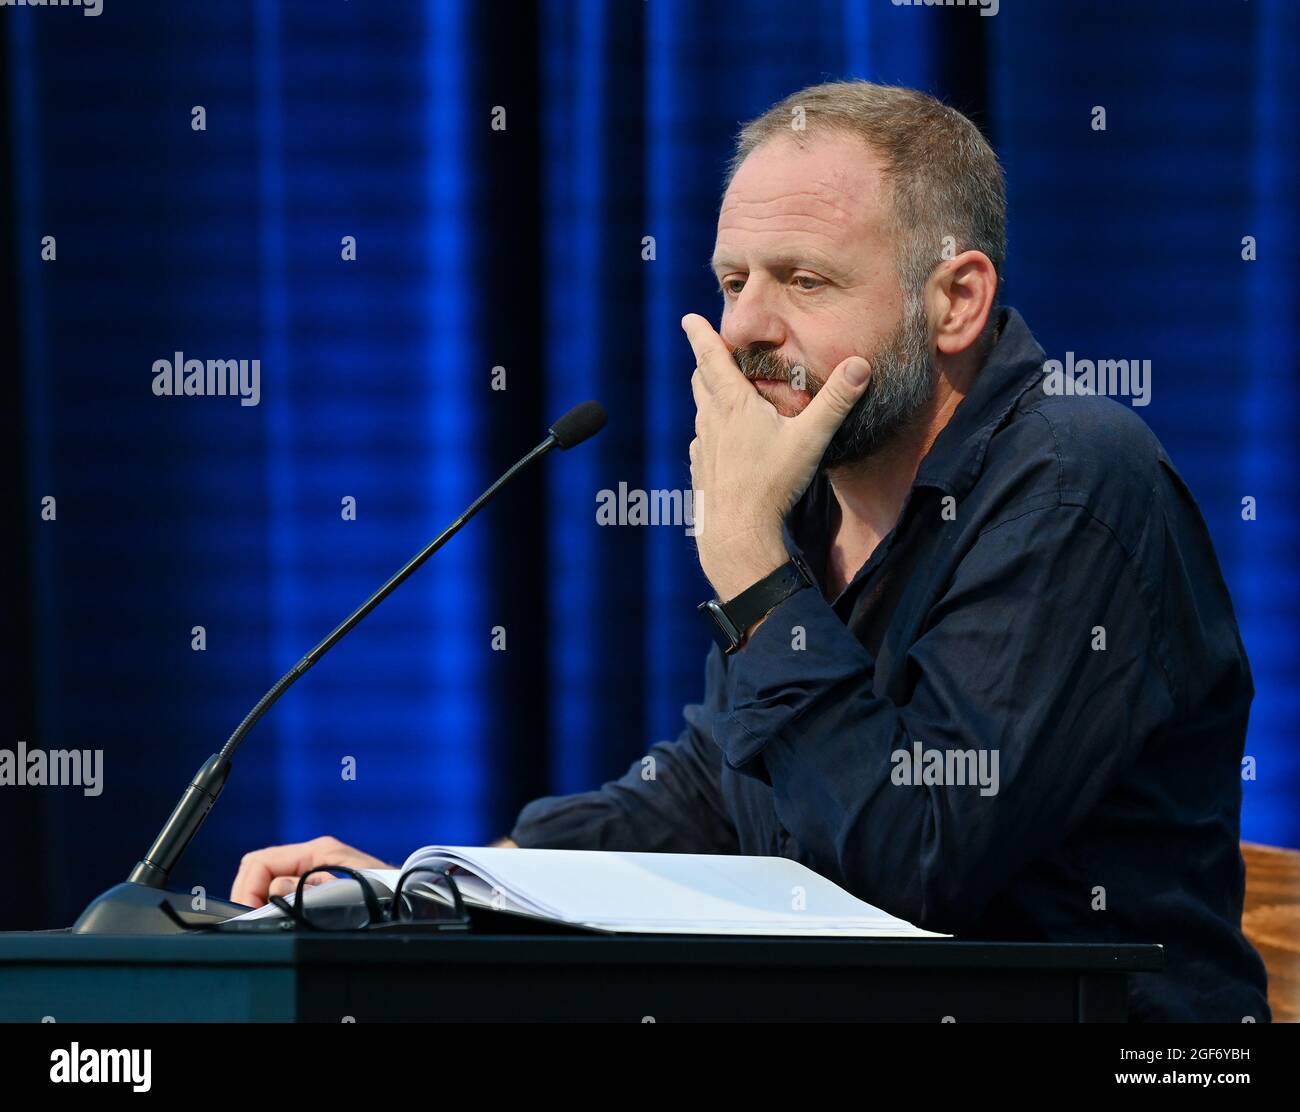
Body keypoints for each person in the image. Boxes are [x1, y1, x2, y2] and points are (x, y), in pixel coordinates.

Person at [232, 81, 1269, 1022]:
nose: (740, 330)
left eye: (804, 281)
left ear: (955, 300)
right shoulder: (810, 489)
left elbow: (914, 859)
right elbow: (718, 790)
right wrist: (434, 885)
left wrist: (747, 563)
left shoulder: (1074, 478)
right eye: (732, 279)